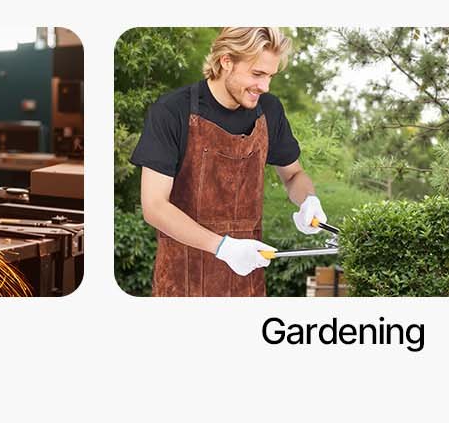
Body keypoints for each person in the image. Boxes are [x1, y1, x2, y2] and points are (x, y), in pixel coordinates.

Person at [133, 27, 326, 297]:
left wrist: (308, 201)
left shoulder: (269, 110)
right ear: (226, 61)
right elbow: (154, 207)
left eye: (270, 76)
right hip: (182, 284)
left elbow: (294, 175)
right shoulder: (172, 111)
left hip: (248, 284)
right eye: (257, 74)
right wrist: (223, 247)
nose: (265, 86)